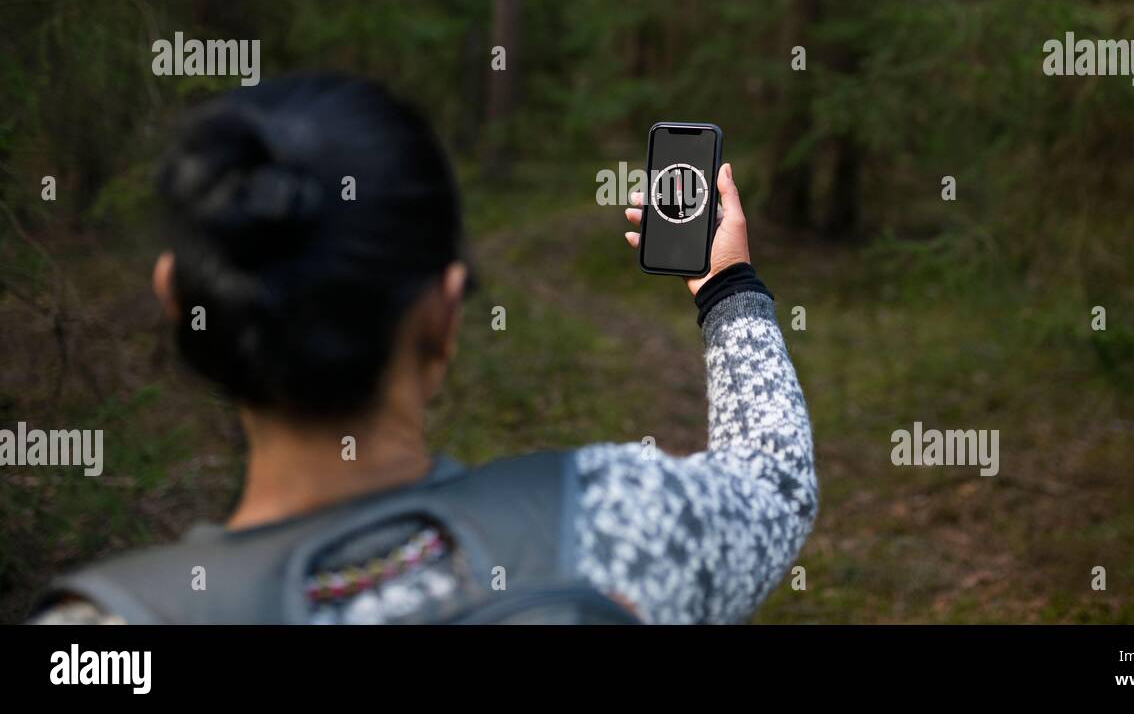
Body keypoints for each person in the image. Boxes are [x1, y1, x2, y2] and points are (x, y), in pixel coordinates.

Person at [30, 72, 817, 624]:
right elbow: (776, 481)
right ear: (443, 315)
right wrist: (726, 287)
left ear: (179, 302)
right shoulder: (617, 526)